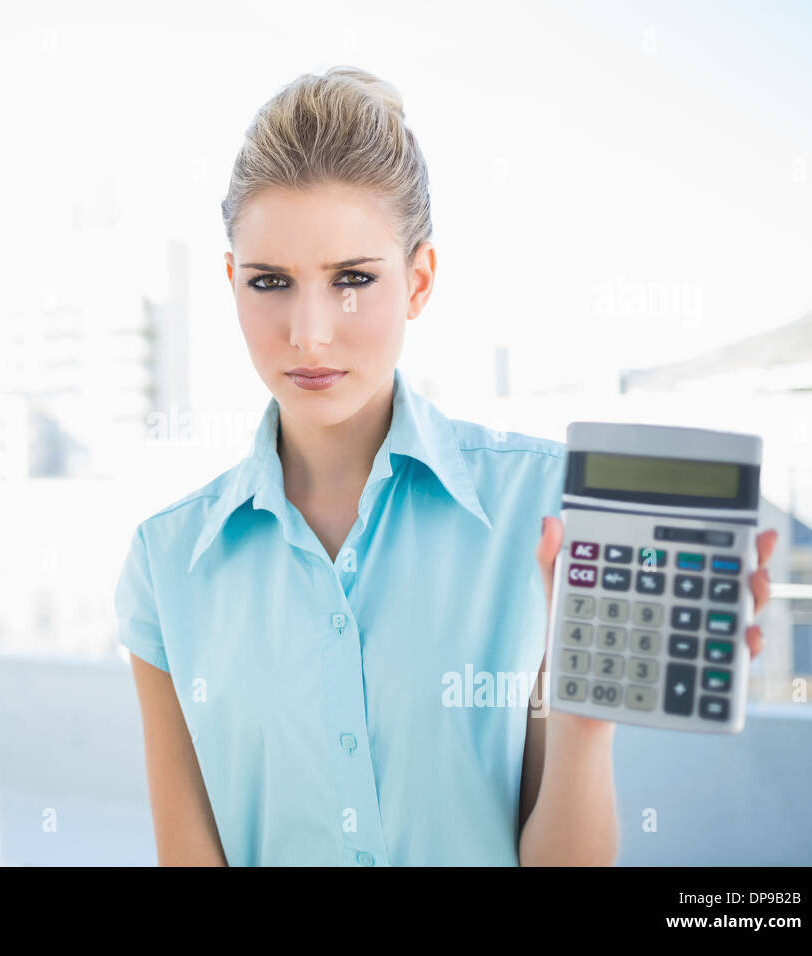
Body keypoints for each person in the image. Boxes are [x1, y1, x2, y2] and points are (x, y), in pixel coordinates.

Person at [113, 65, 777, 866]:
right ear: (232, 283)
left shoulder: (549, 512)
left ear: (419, 281)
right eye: (271, 283)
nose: (311, 332)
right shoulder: (167, 565)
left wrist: (588, 700)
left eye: (353, 279)